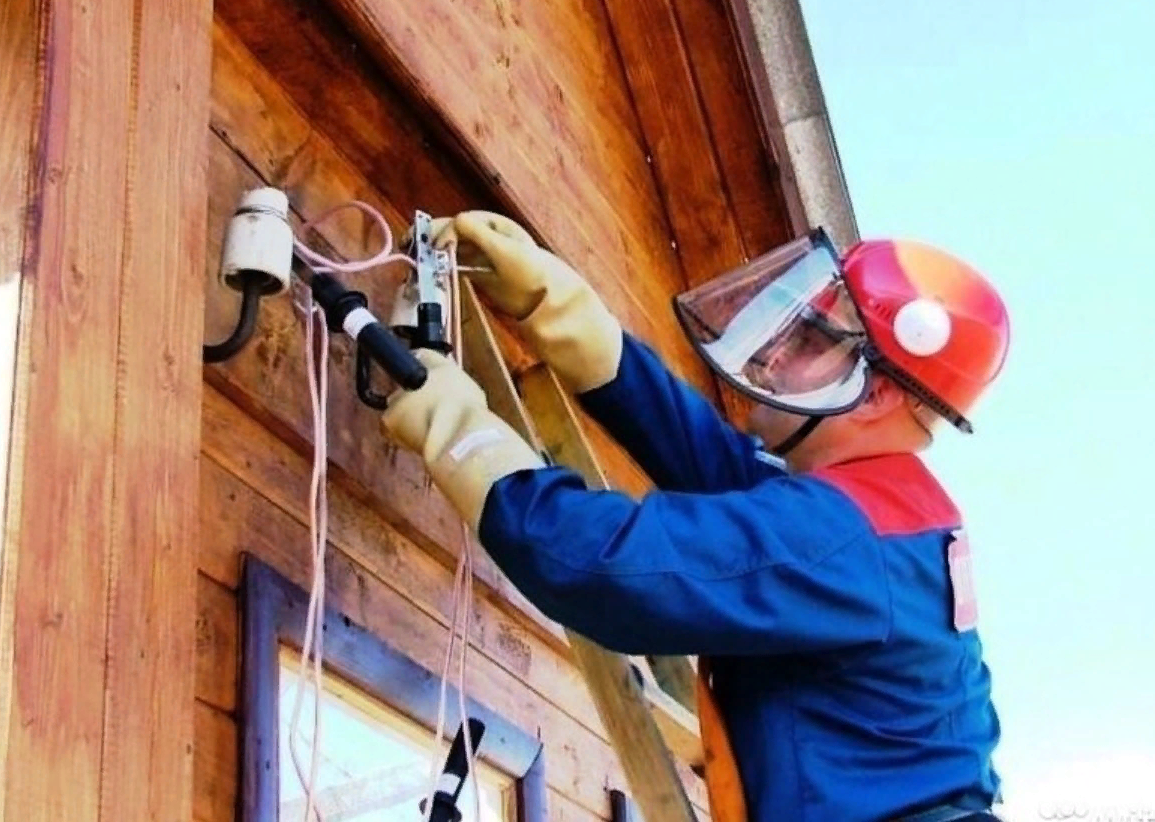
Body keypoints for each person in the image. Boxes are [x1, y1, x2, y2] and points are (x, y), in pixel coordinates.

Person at [381, 212, 1011, 822]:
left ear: (877, 394)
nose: (777, 351)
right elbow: (706, 454)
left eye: (813, 339)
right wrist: (561, 312)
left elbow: (610, 568)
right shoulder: (880, 509)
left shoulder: (843, 535)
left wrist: (455, 428)